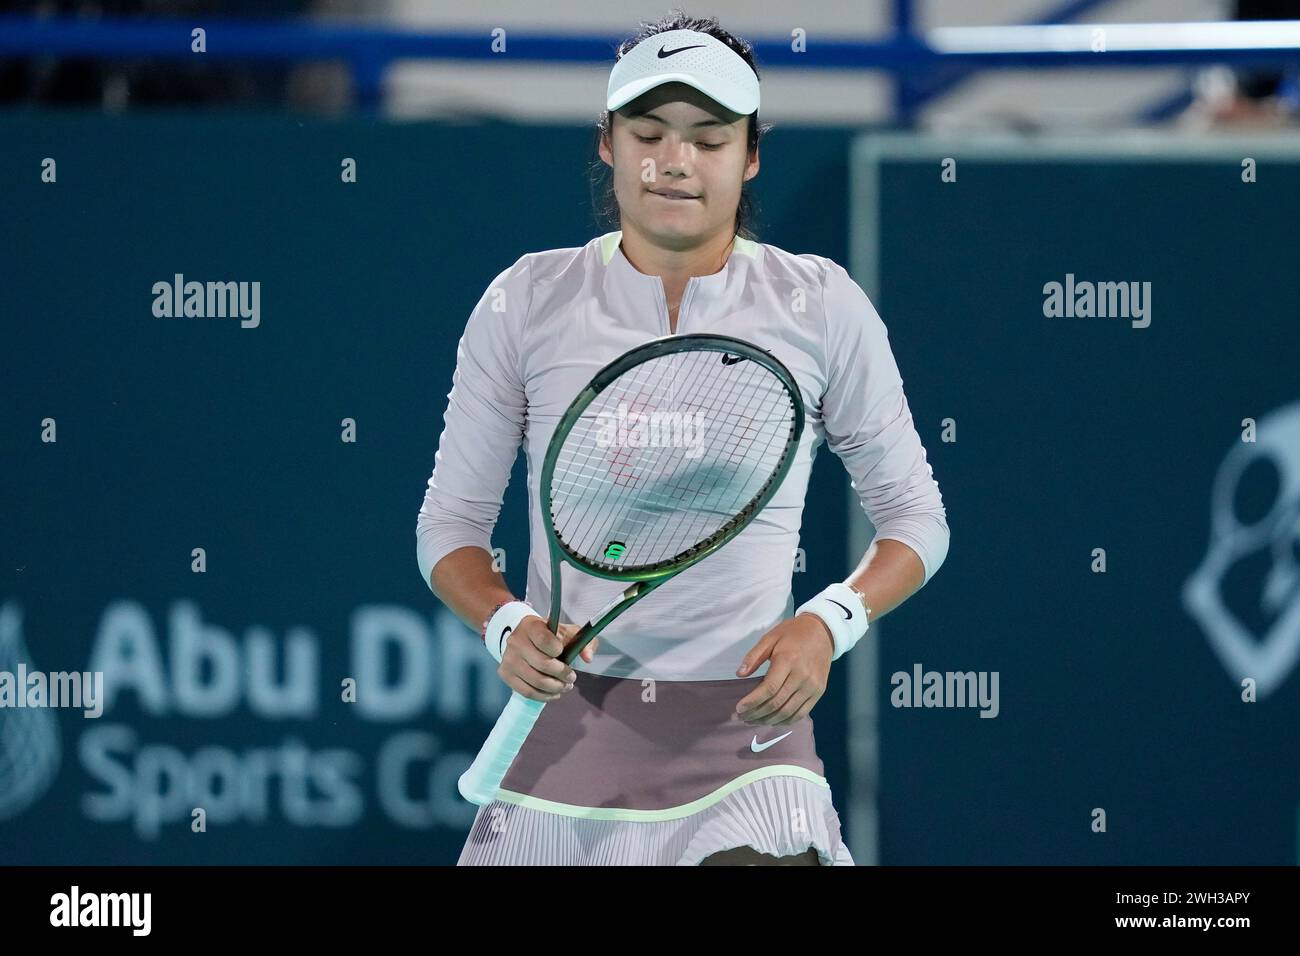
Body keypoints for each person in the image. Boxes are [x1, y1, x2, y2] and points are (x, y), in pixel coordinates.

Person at [416, 10, 949, 866]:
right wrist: (505, 623)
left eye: (708, 138)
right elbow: (449, 530)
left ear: (751, 156)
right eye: (650, 132)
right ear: (609, 144)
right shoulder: (524, 302)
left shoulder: (821, 306)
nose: (675, 161)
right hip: (560, 750)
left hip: (751, 752)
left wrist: (829, 621)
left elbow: (917, 518)